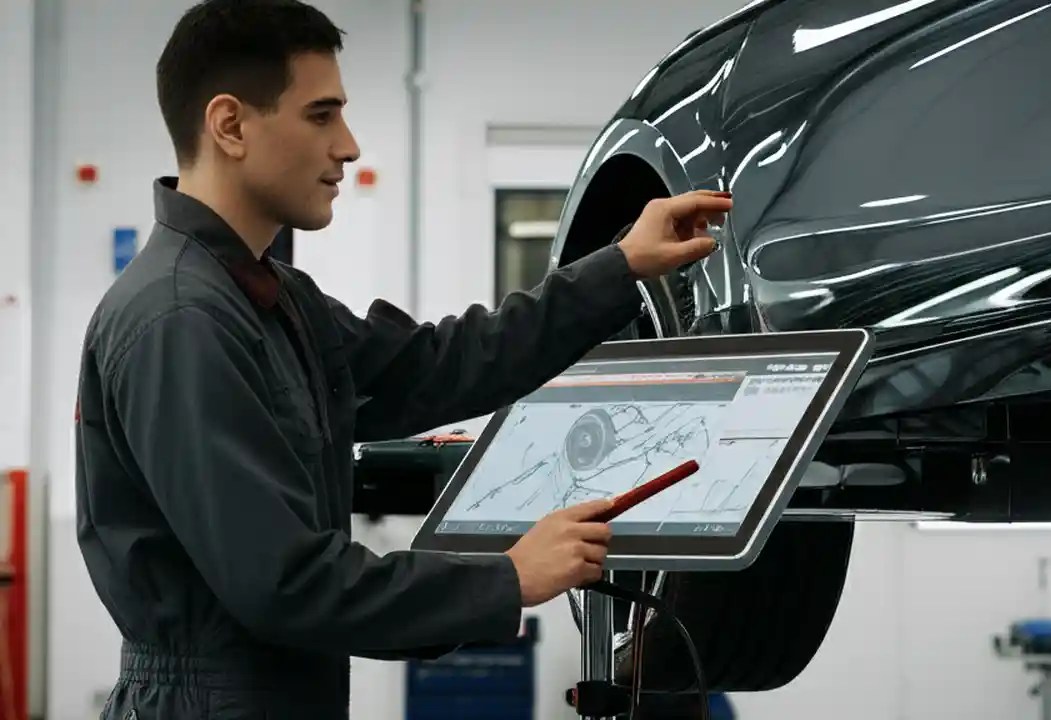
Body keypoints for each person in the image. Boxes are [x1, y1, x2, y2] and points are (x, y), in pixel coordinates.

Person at [72, 1, 732, 717]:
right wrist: (507, 578)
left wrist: (620, 266)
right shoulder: (182, 321)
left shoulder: (272, 299)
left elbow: (441, 362)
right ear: (230, 125)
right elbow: (286, 583)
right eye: (321, 115)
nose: (349, 146)